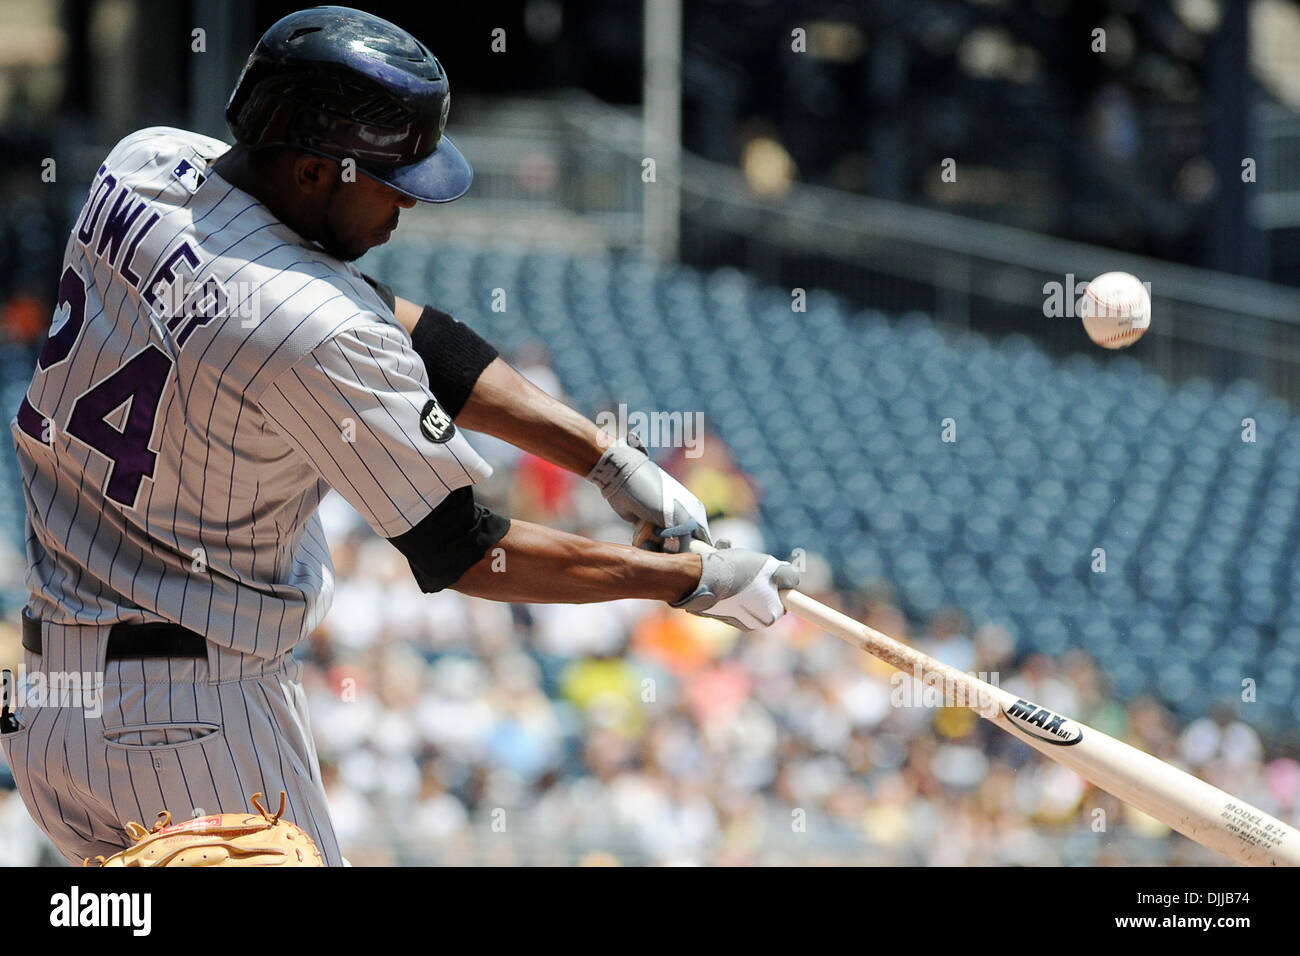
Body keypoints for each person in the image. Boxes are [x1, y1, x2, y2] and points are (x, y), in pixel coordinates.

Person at [0, 6, 797, 866]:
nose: (407, 204)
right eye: (392, 181)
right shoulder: (309, 324)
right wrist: (688, 579)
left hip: (51, 697)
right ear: (311, 168)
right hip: (188, 730)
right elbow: (462, 551)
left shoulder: (146, 161)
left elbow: (403, 329)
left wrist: (607, 458)